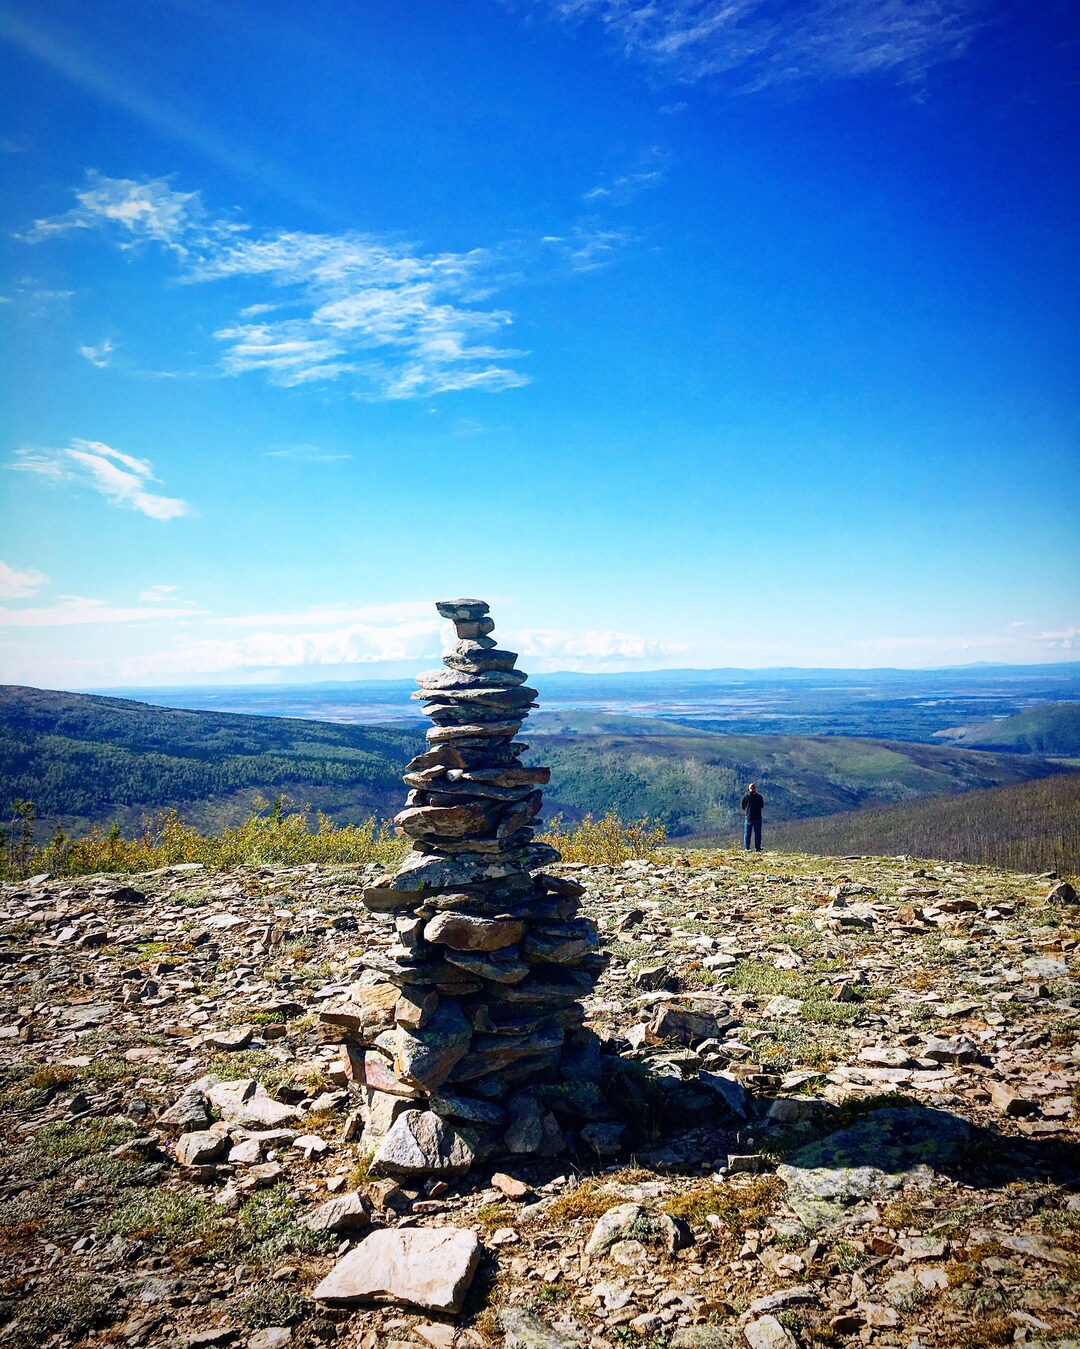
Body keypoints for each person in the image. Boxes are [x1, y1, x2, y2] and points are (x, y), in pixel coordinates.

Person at [740, 782, 764, 851]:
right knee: (758, 834)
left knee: (747, 833)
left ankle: (747, 848)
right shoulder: (759, 797)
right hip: (757, 817)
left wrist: (747, 811)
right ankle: (758, 848)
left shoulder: (745, 796)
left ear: (749, 788)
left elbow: (743, 806)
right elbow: (762, 805)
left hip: (749, 817)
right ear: (755, 788)